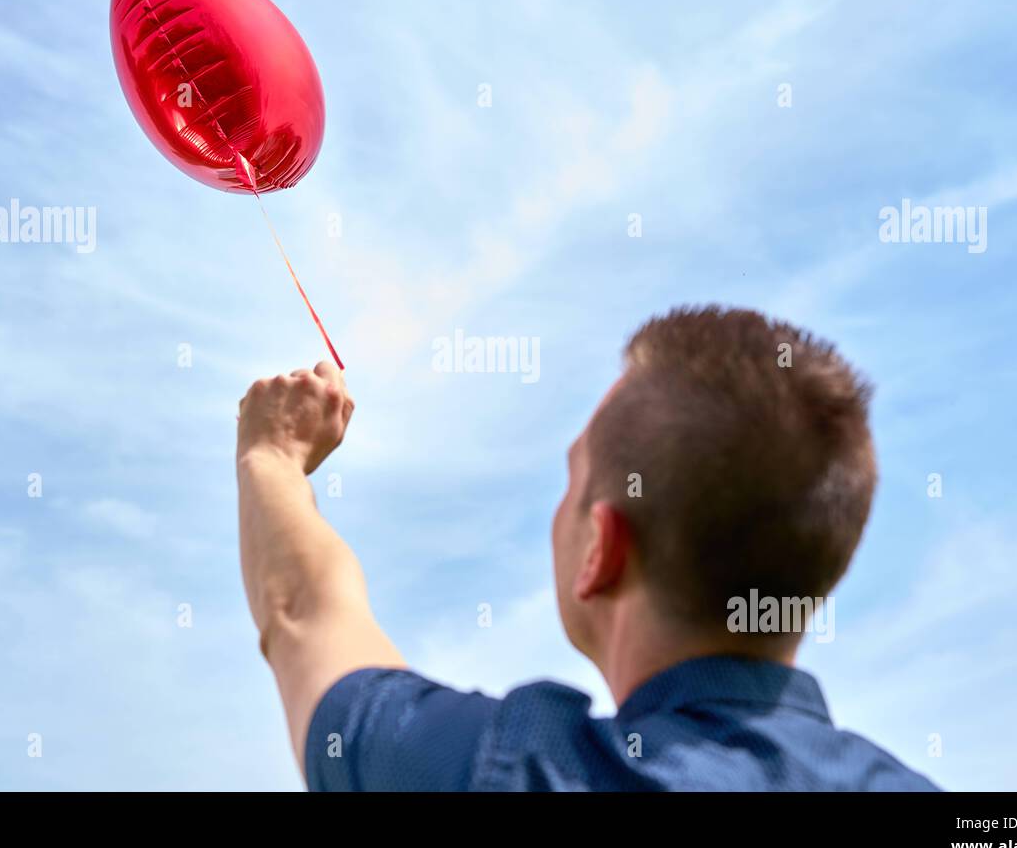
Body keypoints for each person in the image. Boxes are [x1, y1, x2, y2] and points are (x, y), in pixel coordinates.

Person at [235, 305, 939, 791]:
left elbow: (305, 619)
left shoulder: (518, 775)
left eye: (570, 480)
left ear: (600, 549)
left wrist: (271, 454)